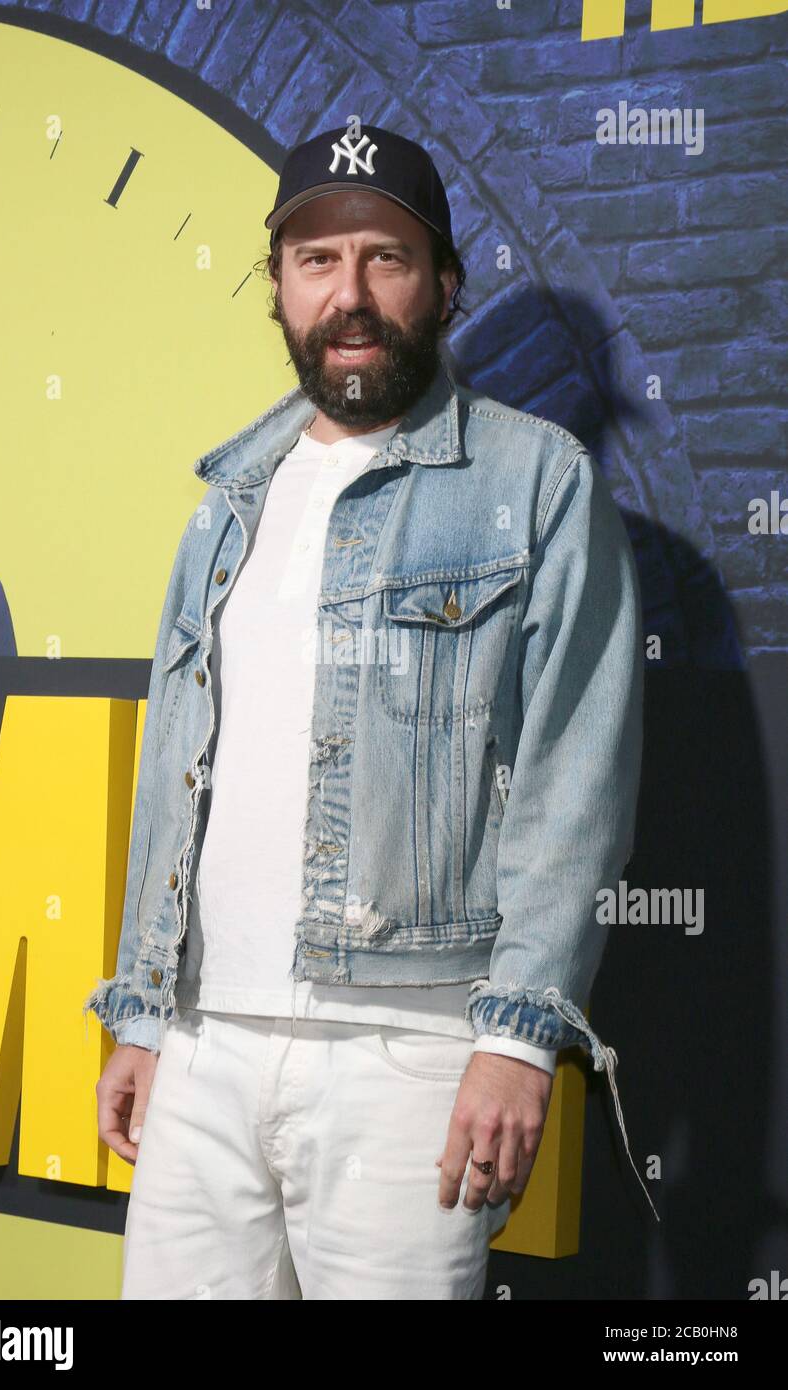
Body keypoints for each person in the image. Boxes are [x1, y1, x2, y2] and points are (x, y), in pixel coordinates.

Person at [84, 123, 652, 1300]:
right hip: (201, 1047)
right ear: (278, 290)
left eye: (384, 258)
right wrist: (143, 1013)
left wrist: (514, 1037)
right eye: (315, 260)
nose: (348, 295)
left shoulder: (535, 481)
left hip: (411, 1057)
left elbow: (572, 776)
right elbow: (176, 771)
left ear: (443, 282)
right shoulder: (227, 503)